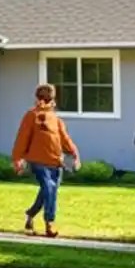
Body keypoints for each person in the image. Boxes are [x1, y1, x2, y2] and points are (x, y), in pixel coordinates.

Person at [12, 84, 81, 238]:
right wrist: (18, 159)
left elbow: (64, 139)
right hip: (38, 161)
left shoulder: (56, 119)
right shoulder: (32, 116)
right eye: (44, 97)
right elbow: (22, 138)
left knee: (47, 192)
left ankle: (30, 214)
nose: (46, 100)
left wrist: (75, 154)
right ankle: (50, 223)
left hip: (56, 162)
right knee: (49, 188)